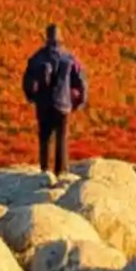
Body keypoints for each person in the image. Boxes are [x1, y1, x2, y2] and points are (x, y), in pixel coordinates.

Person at [21, 23, 87, 176]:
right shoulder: (69, 58)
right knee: (62, 138)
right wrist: (78, 102)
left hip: (43, 104)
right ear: (60, 38)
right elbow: (81, 81)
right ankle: (61, 171)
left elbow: (27, 81)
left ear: (47, 38)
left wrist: (32, 97)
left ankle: (44, 171)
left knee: (44, 138)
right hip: (63, 105)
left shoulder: (37, 58)